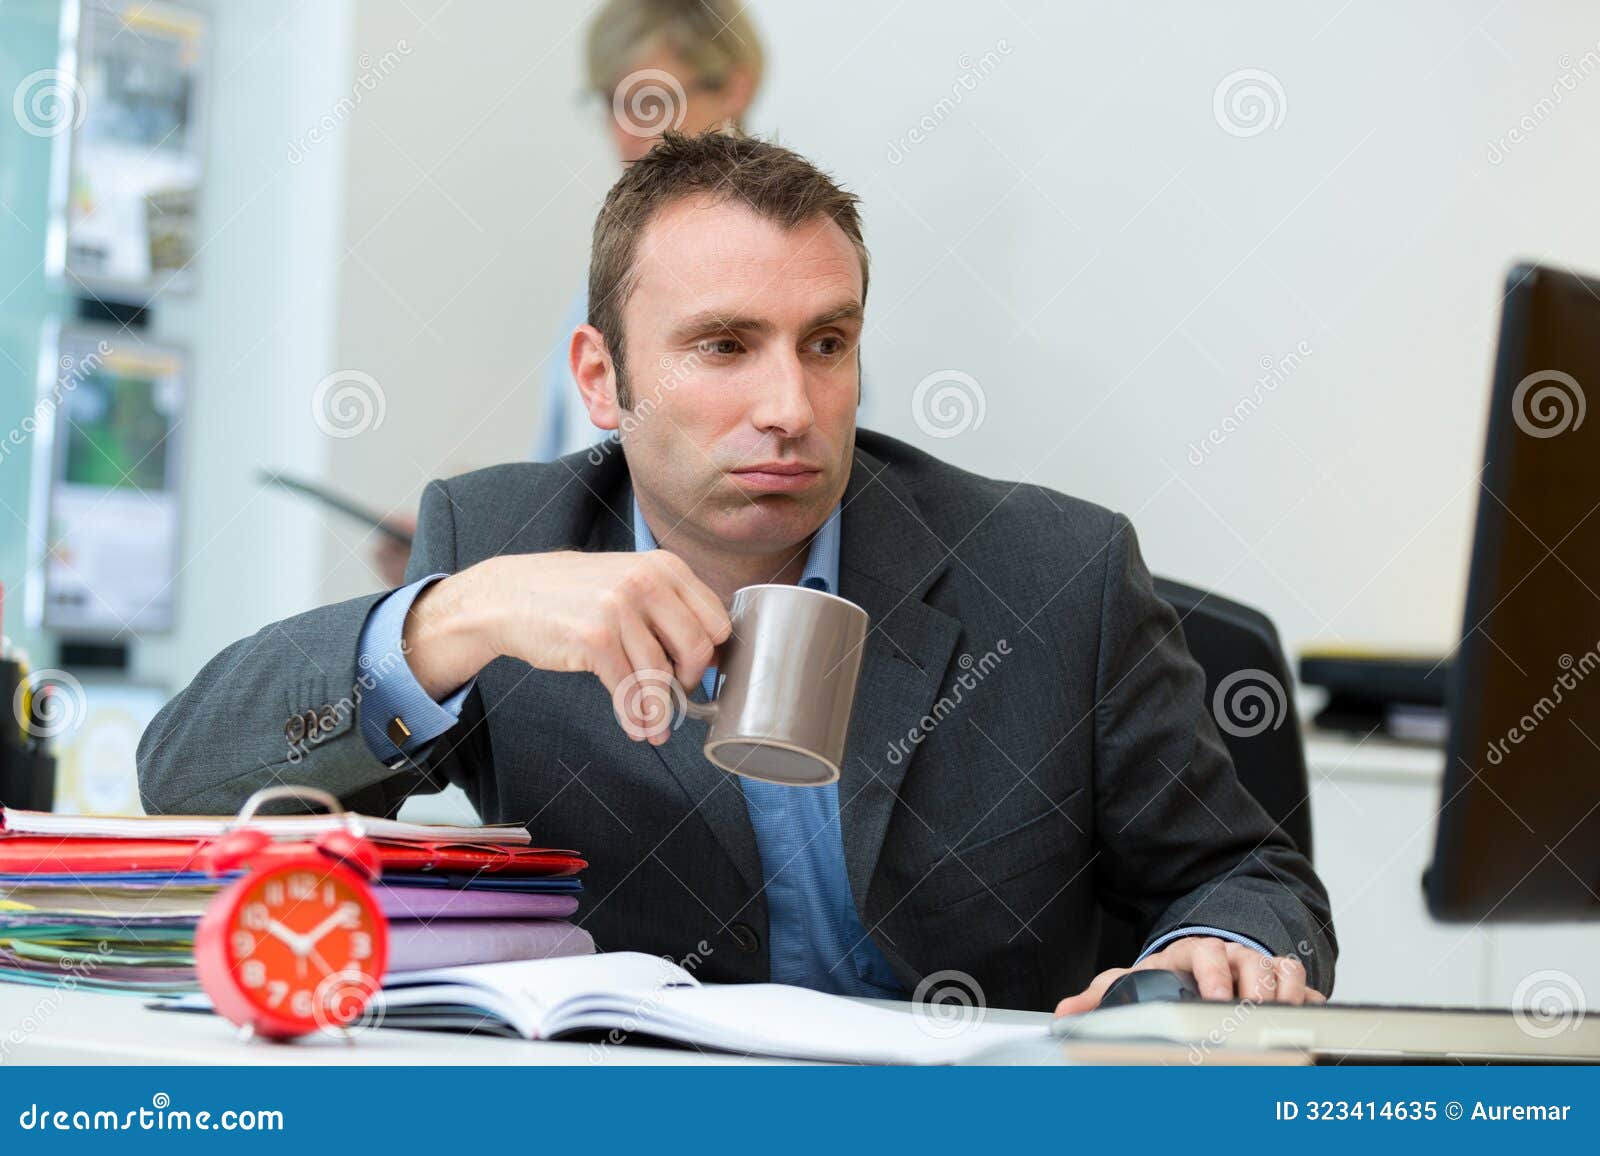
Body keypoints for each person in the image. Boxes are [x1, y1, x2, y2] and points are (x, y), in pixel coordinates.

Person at [140, 131, 1336, 1014]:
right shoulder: (505, 538)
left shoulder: (1054, 573)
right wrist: (460, 614)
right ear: (602, 379)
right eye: (724, 346)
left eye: (828, 344)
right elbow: (187, 783)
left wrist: (1216, 946)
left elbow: (1246, 871)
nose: (790, 406)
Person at [372, 0, 763, 586]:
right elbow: (566, 501)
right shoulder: (588, 309)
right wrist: (463, 555)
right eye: (612, 102)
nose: (627, 130)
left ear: (734, 87)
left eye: (649, 99)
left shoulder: (792, 282)